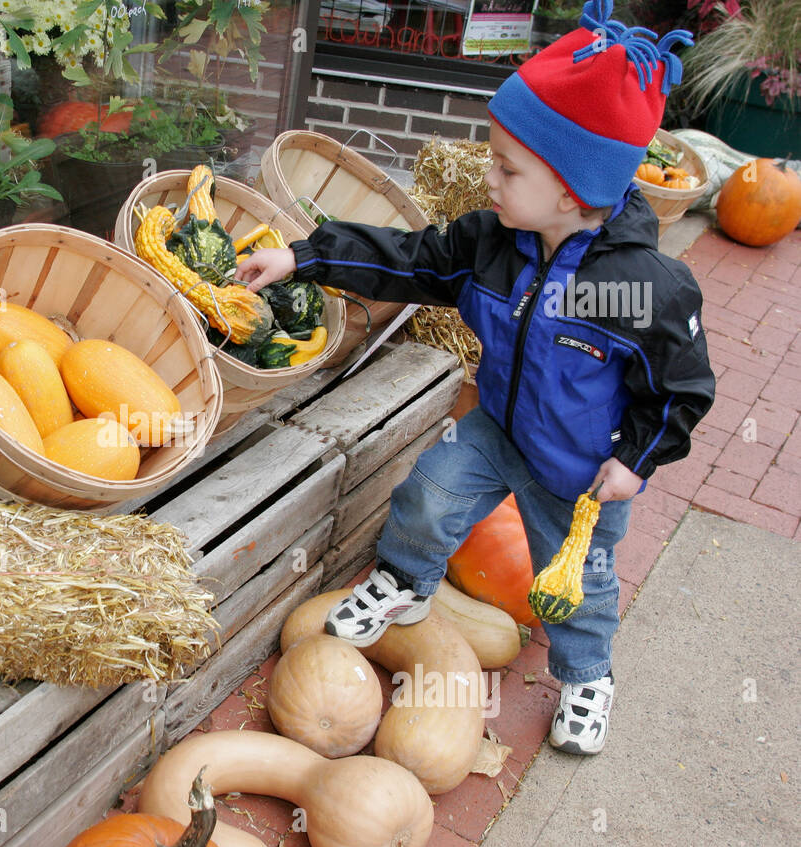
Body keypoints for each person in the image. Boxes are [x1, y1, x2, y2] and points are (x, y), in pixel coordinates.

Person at [235, 0, 715, 755]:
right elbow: (410, 259)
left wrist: (638, 460)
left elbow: (683, 389)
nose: (488, 176)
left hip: (583, 472)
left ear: (570, 189)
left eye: (506, 166)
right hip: (498, 428)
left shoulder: (641, 288)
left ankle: (587, 673)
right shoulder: (493, 244)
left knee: (577, 586)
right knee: (428, 492)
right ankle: (405, 579)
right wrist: (306, 256)